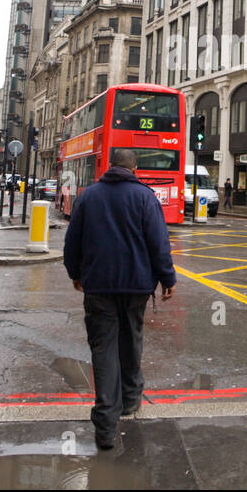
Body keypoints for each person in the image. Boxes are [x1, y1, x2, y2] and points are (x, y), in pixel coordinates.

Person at [63, 148, 176, 450]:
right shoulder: (145, 197)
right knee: (131, 339)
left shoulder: (88, 197)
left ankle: (105, 424)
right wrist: (168, 278)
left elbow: (72, 241)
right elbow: (158, 242)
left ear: (110, 166)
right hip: (137, 287)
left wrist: (76, 273)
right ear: (134, 168)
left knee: (103, 349)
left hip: (99, 286)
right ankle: (129, 400)